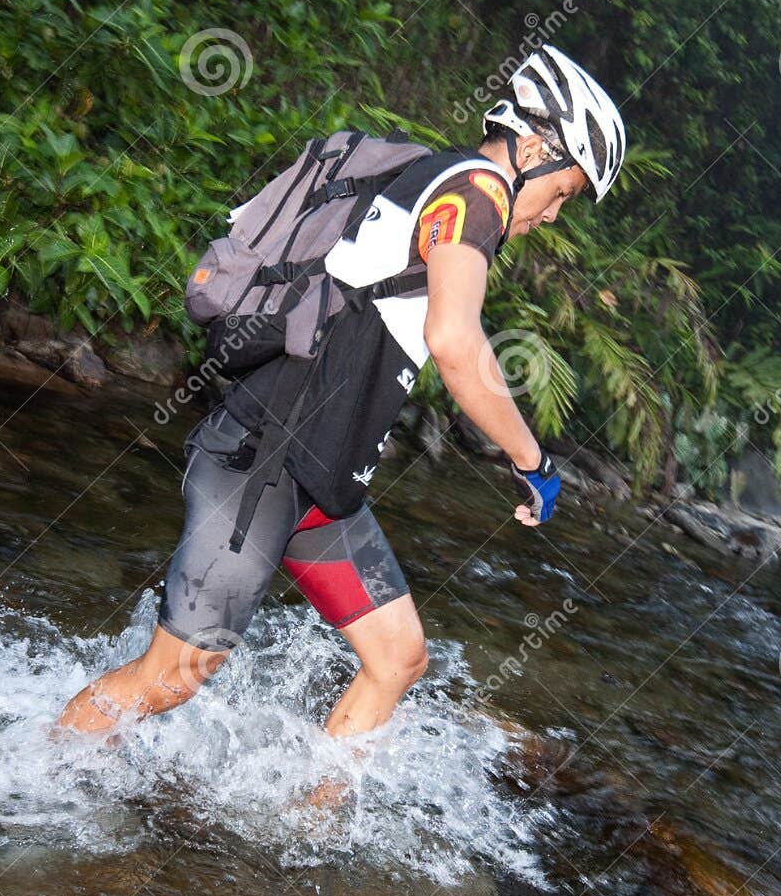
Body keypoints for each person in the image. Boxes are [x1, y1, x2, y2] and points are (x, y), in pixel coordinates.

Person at [58, 45, 626, 739]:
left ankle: (310, 831)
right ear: (535, 147)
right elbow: (455, 341)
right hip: (262, 463)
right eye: (563, 190)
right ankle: (23, 778)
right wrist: (531, 460)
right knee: (172, 676)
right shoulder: (473, 195)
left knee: (399, 659)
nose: (555, 213)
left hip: (317, 478)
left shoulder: (436, 178)